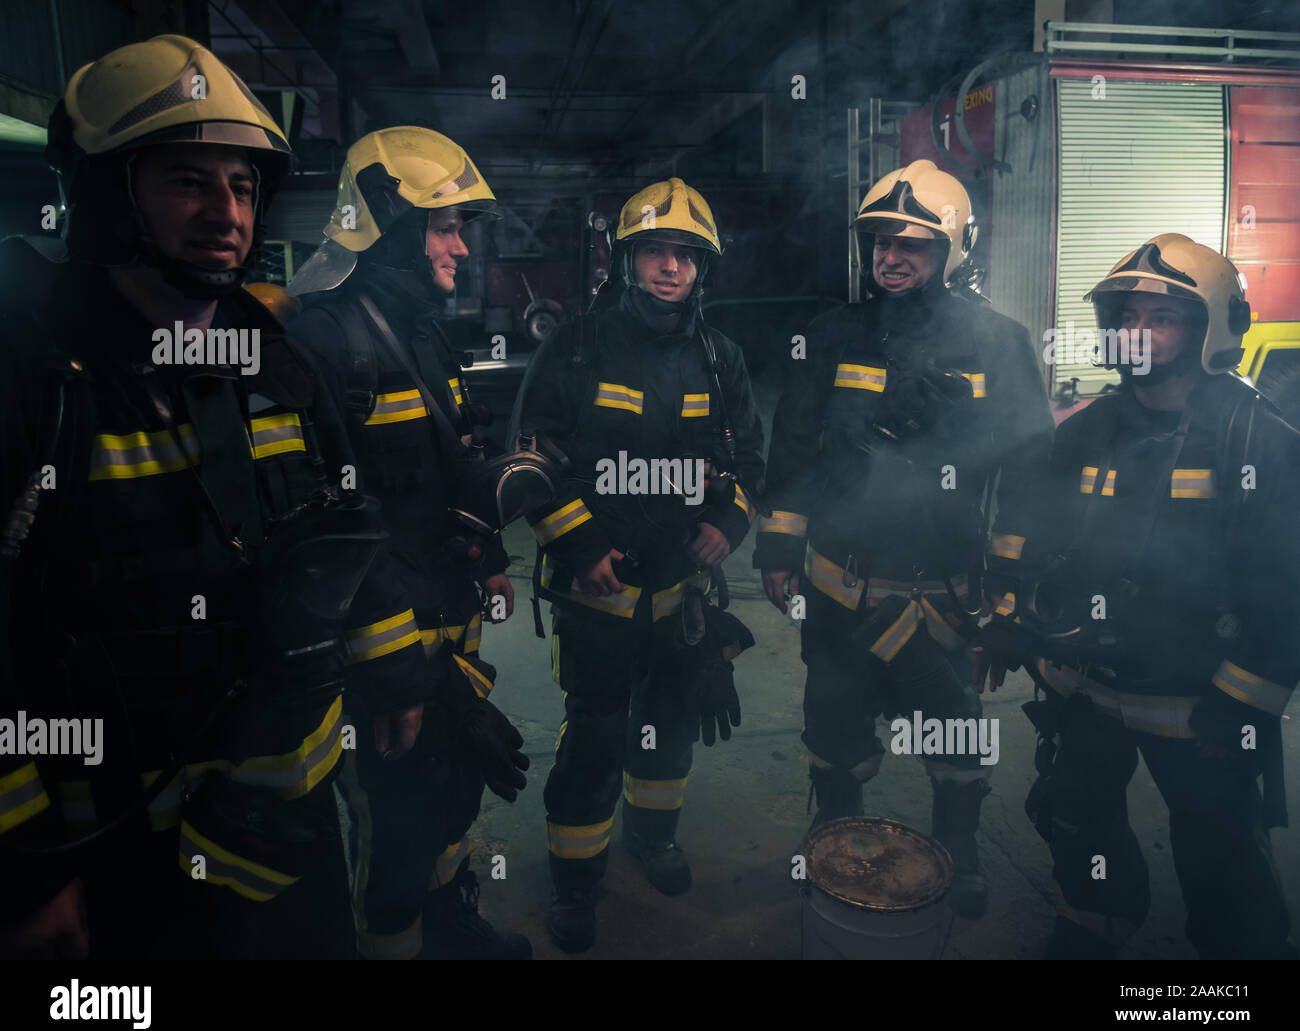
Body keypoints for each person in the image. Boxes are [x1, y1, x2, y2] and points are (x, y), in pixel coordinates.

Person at [0, 35, 429, 960]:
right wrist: (23, 867)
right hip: (119, 853)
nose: (226, 213)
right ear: (108, 197)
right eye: (187, 182)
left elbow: (349, 527)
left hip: (289, 828)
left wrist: (397, 673)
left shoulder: (281, 363)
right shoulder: (34, 378)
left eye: (240, 186)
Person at [983, 234, 1300, 959]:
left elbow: (1287, 586)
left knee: (1221, 853)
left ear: (1212, 328)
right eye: (1126, 316)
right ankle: (1095, 917)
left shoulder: (1259, 440)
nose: (1137, 332)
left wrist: (1244, 700)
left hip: (1199, 702)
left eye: (1162, 318)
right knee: (1077, 822)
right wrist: (1010, 617)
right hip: (1084, 687)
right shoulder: (1087, 430)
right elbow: (1037, 531)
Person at [755, 159, 1053, 918]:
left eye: (913, 244)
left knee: (952, 738)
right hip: (838, 587)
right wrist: (779, 547)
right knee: (834, 730)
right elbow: (793, 445)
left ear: (953, 250)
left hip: (943, 591)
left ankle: (961, 851)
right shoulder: (832, 333)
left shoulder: (1000, 342)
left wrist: (1010, 582)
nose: (891, 257)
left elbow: (1029, 470)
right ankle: (833, 837)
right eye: (881, 242)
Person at [286, 126, 533, 959]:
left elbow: (446, 466)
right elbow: (330, 533)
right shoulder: (322, 342)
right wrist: (401, 679)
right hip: (382, 656)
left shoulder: (420, 332)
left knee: (450, 796)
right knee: (396, 828)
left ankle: (451, 925)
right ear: (387, 227)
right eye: (444, 227)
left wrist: (490, 557)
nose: (461, 247)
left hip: (448, 625)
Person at [512, 177, 764, 952]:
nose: (670, 266)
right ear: (627, 259)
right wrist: (579, 544)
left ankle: (654, 837)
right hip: (598, 595)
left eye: (686, 254)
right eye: (655, 250)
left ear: (703, 267)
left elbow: (749, 459)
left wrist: (729, 520)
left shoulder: (720, 358)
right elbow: (529, 457)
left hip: (680, 595)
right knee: (593, 737)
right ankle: (576, 879)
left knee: (668, 725)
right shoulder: (577, 345)